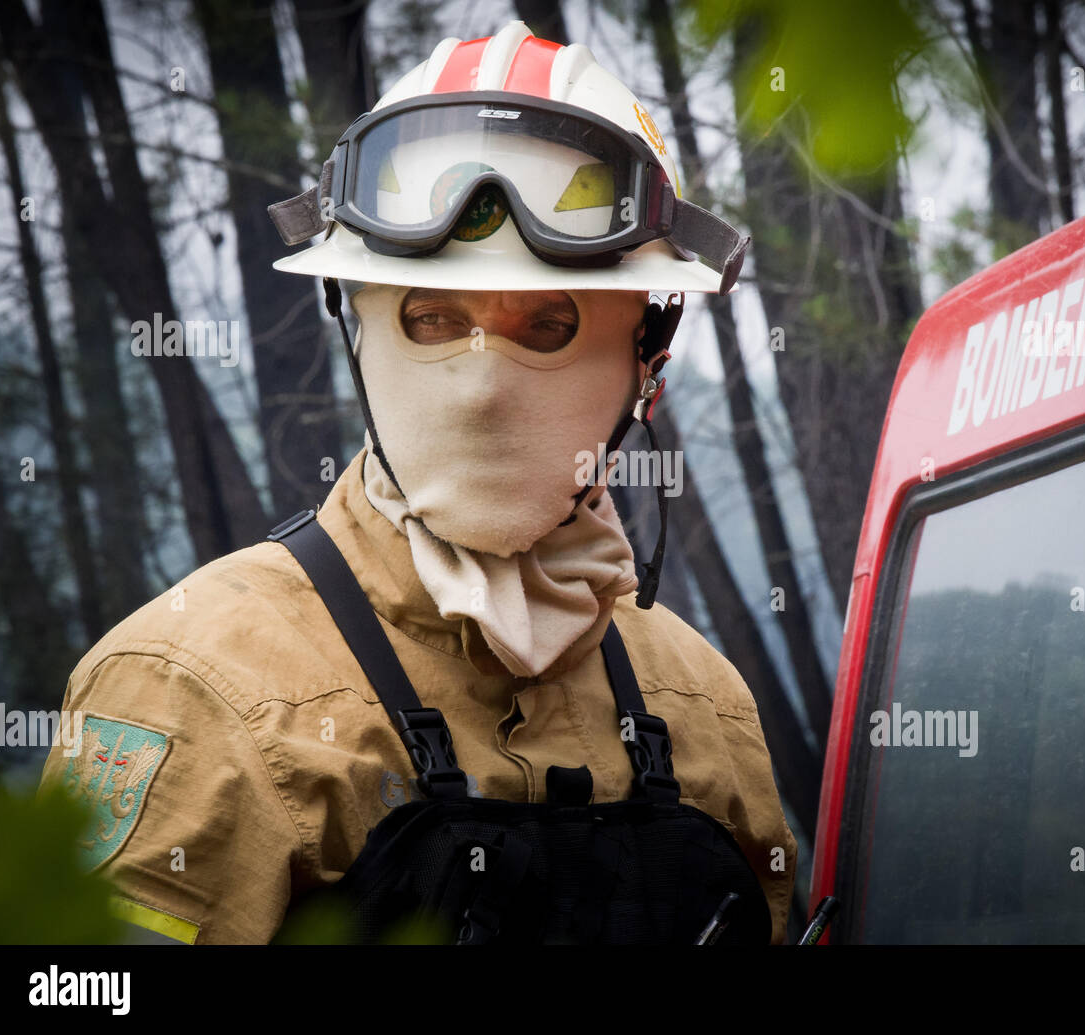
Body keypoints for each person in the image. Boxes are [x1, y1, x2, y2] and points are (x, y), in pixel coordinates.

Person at [41, 20, 798, 945]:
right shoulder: (191, 688)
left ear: (650, 356)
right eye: (433, 320)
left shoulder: (705, 708)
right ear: (351, 320)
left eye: (547, 325)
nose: (482, 386)